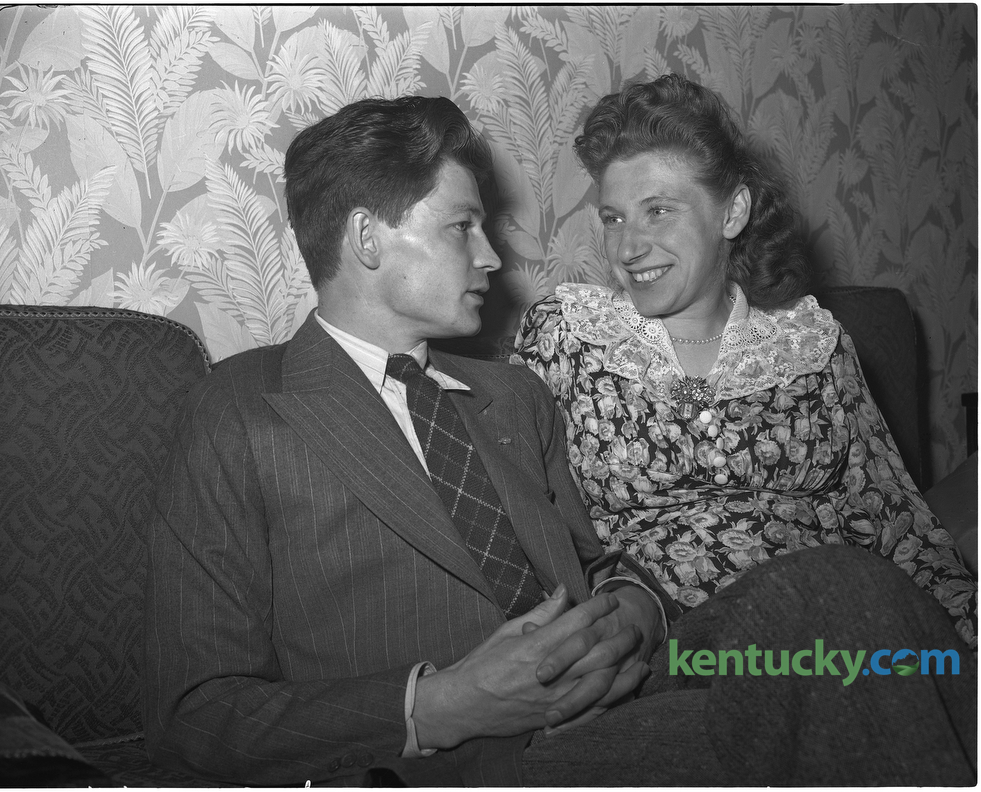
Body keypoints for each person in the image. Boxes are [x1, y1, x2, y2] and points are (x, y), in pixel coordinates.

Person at [145, 91, 975, 788]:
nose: (494, 257)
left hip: (635, 708)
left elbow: (594, 565)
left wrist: (640, 606)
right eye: (463, 227)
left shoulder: (511, 398)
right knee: (843, 639)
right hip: (451, 763)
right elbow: (190, 719)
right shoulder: (241, 410)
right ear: (368, 239)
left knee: (846, 607)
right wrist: (438, 704)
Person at [512, 74, 976, 647]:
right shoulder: (568, 335)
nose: (628, 247)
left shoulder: (811, 346)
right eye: (614, 217)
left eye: (658, 211)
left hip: (844, 618)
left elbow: (896, 521)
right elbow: (524, 519)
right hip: (673, 641)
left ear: (731, 214)